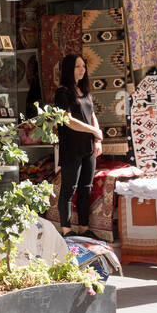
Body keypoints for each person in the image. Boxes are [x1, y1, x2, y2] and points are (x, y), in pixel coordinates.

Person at [52, 53, 102, 235]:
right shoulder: (62, 93)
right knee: (69, 188)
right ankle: (66, 230)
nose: (83, 70)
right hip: (72, 148)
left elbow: (92, 115)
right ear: (68, 69)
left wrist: (97, 138)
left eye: (84, 66)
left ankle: (84, 228)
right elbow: (68, 121)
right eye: (78, 66)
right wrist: (94, 131)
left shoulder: (85, 92)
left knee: (86, 189)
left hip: (88, 147)